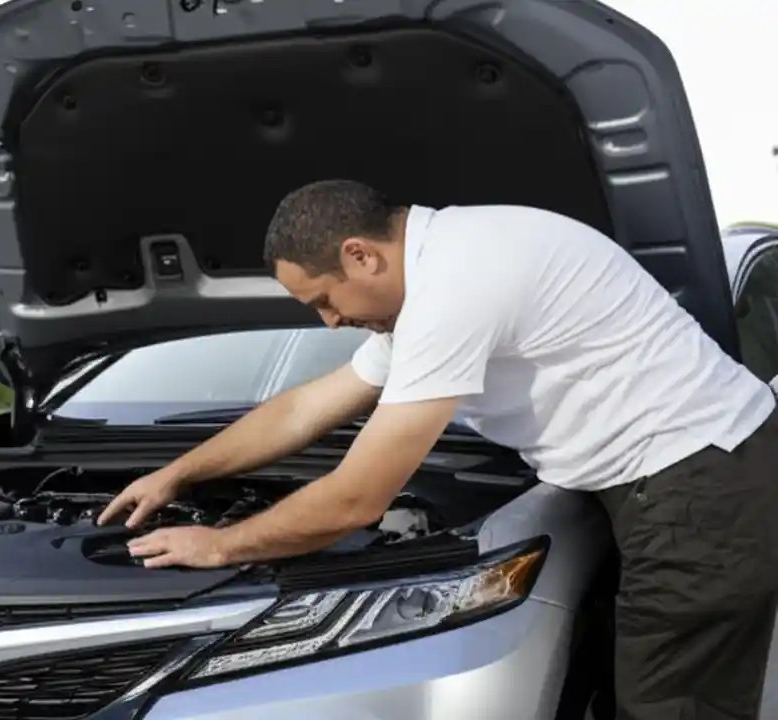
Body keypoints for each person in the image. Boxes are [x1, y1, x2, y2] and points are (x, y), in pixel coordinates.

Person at [96, 179, 778, 719]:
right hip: (672, 479)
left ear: (361, 255)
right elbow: (306, 406)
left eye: (324, 301)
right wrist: (176, 474)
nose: (330, 322)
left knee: (673, 705)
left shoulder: (458, 283)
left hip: (701, 487)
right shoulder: (445, 263)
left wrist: (219, 546)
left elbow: (358, 501)